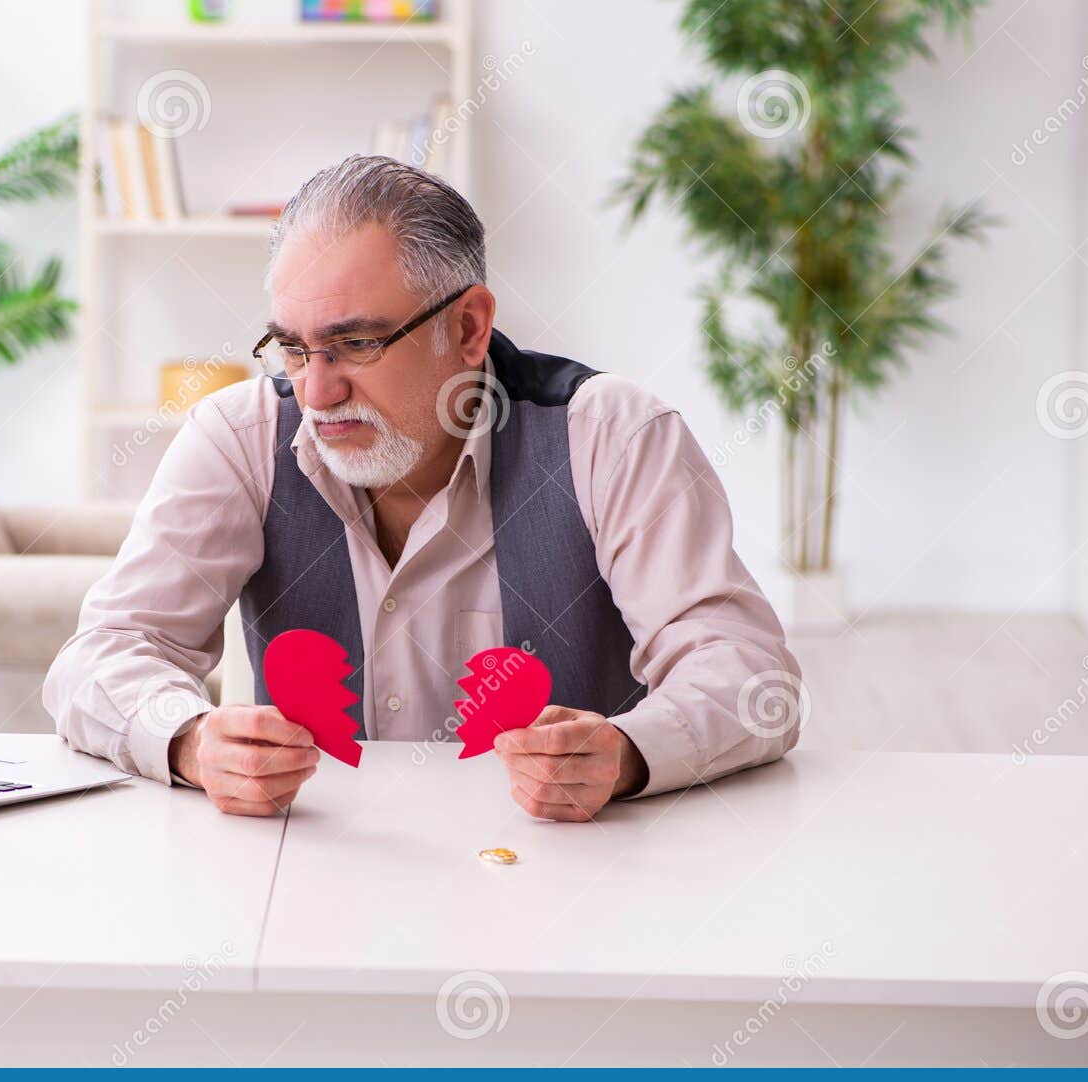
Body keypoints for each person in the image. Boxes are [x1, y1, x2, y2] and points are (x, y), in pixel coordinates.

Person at [46, 154, 801, 820]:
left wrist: (627, 753)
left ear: (469, 327)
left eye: (355, 343)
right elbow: (99, 657)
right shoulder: (239, 437)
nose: (315, 393)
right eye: (292, 350)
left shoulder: (610, 434)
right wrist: (188, 739)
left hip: (575, 874)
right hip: (317, 875)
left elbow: (748, 673)